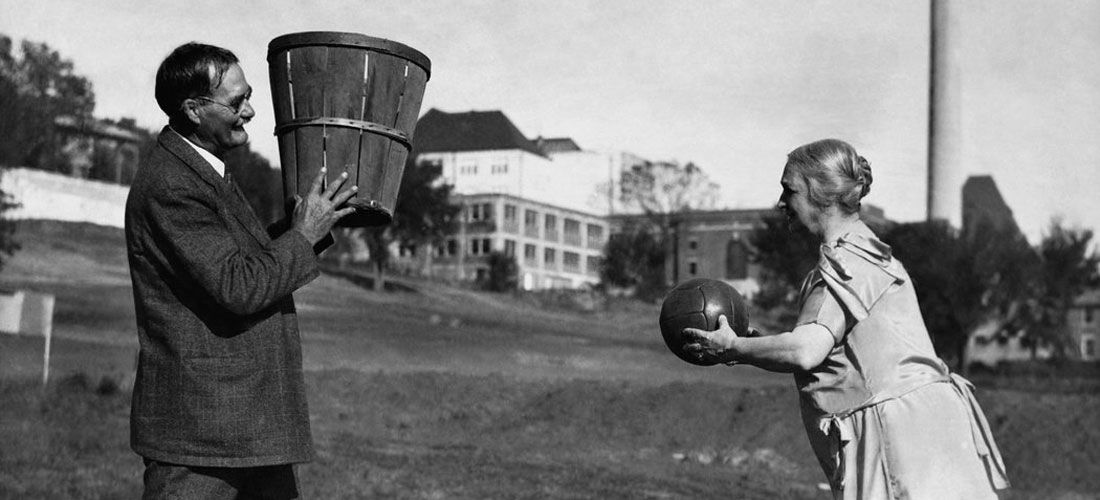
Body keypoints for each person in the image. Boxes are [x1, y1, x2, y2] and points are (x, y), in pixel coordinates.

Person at [683, 139, 1010, 499]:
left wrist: (733, 347)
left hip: (901, 437)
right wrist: (758, 345)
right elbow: (831, 352)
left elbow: (806, 351)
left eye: (789, 190)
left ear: (818, 192)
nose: (782, 202)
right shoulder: (864, 252)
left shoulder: (847, 262)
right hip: (918, 428)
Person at [125, 42, 357, 499]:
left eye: (248, 96)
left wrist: (312, 223)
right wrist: (303, 235)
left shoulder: (202, 171)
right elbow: (239, 286)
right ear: (193, 109)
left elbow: (237, 263)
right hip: (201, 438)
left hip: (245, 429)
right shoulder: (170, 184)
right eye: (236, 102)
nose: (250, 111)